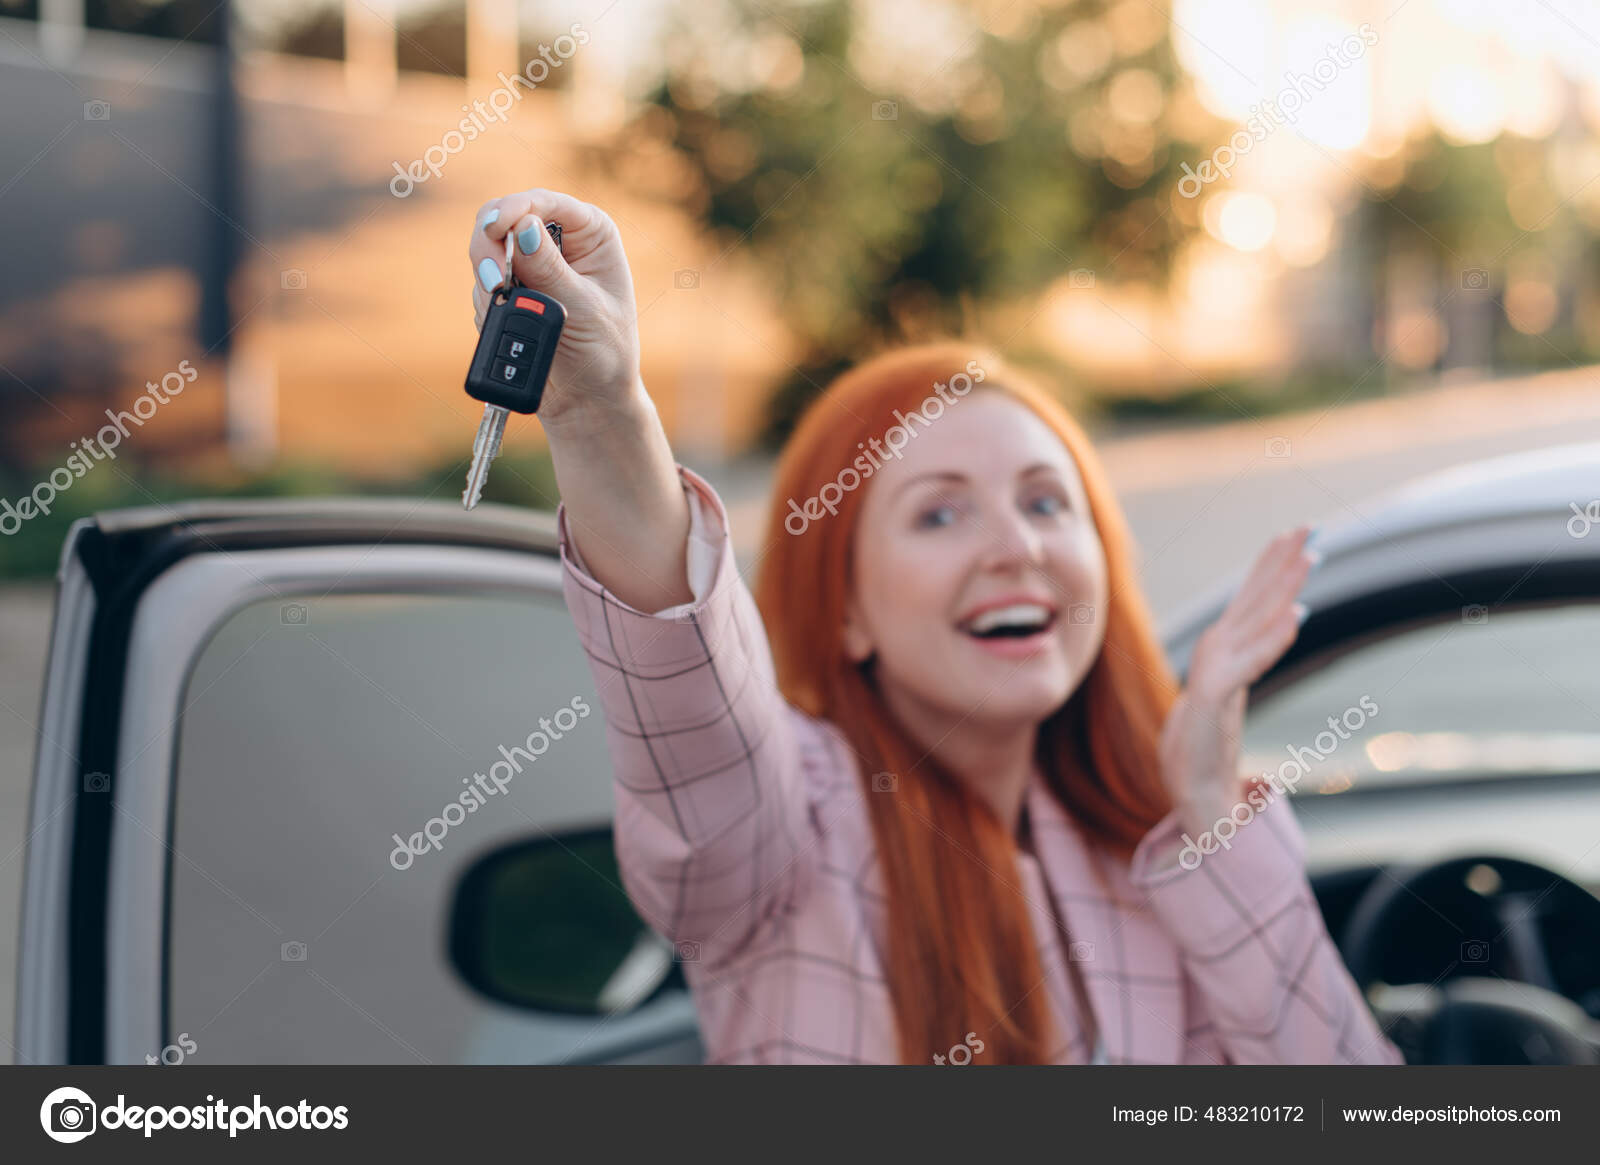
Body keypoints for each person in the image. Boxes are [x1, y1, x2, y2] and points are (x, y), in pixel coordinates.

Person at [468, 188, 1403, 1066]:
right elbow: (689, 699)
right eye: (941, 513)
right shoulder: (792, 834)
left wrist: (1206, 806)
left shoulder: (1169, 844)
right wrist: (599, 409)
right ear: (846, 609)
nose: (1017, 547)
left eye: (1046, 501)